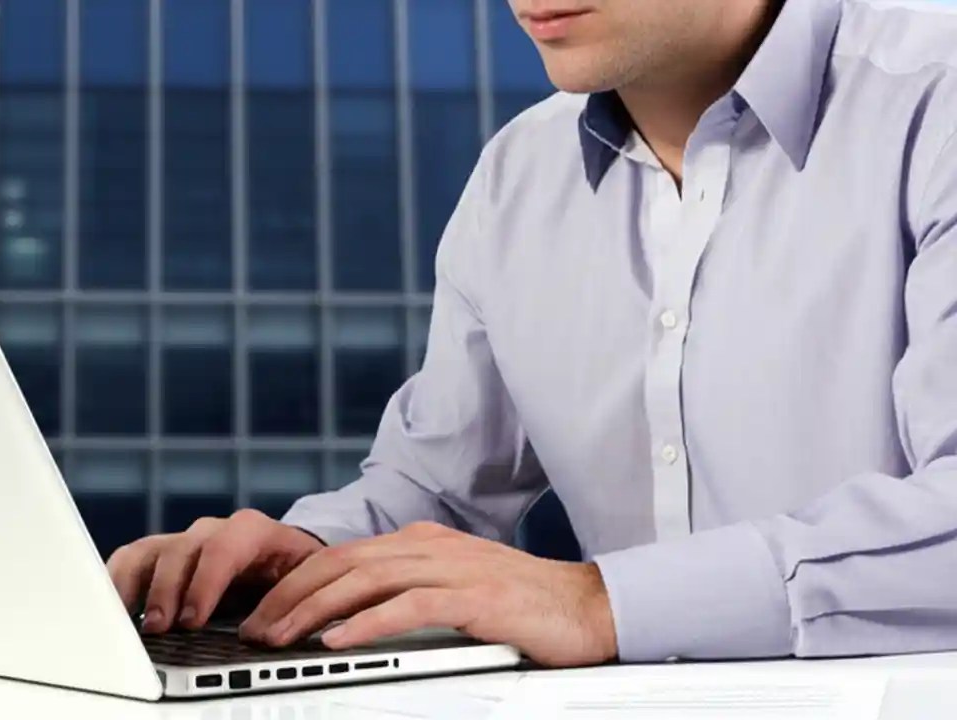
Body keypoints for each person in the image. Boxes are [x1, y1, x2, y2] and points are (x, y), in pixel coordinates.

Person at [108, 0, 957, 667]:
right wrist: (308, 557)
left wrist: (596, 602)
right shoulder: (517, 175)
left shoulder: (935, 99)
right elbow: (437, 493)